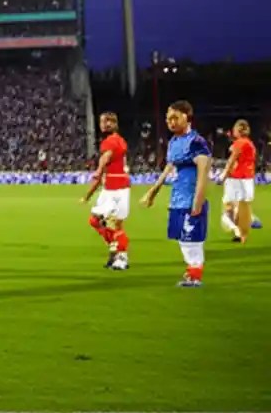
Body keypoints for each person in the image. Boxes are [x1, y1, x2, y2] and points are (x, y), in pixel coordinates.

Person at [142, 101, 210, 287]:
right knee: (181, 237)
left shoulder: (196, 142)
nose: (171, 122)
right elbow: (169, 168)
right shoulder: (173, 142)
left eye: (175, 118)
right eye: (168, 118)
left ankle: (195, 275)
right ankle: (191, 271)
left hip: (190, 198)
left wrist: (198, 200)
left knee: (192, 238)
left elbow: (204, 171)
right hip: (177, 198)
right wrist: (153, 192)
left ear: (187, 117)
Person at [81, 112, 131, 269]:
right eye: (103, 121)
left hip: (117, 188)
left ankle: (121, 258)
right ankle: (115, 249)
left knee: (115, 224)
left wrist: (98, 170)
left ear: (115, 124)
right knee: (95, 220)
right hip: (111, 187)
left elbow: (105, 160)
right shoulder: (119, 141)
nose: (105, 124)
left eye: (109, 121)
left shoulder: (110, 142)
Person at [217, 119, 257, 243]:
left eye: (234, 129)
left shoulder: (239, 143)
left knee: (227, 209)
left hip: (236, 179)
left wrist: (222, 176)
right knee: (242, 206)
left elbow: (232, 160)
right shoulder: (250, 144)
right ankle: (243, 232)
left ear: (238, 130)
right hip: (248, 179)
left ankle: (236, 230)